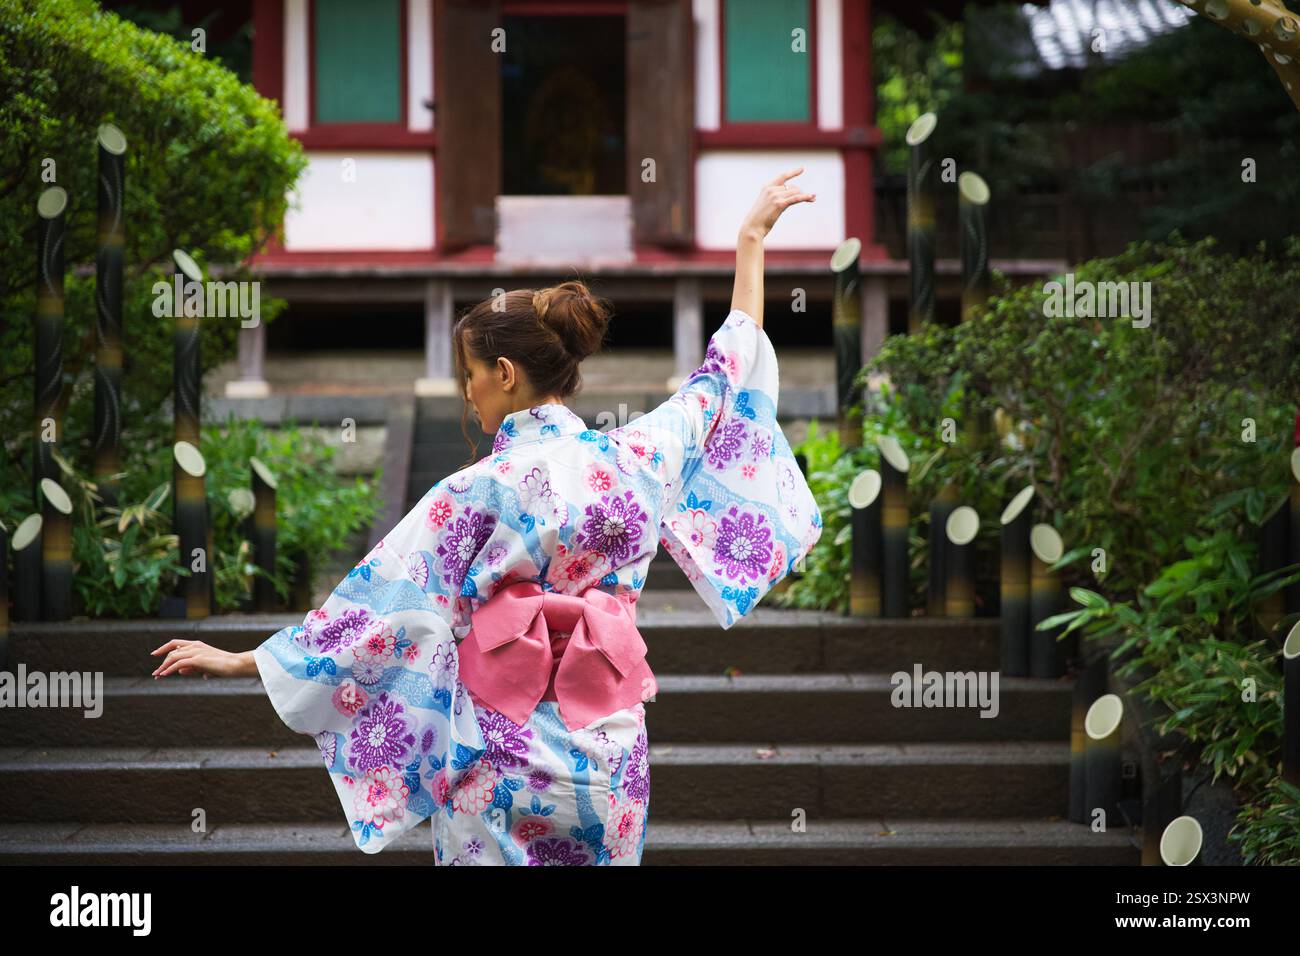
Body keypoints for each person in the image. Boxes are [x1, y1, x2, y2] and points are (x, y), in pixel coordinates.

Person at [150, 167, 823, 865]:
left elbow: (384, 605)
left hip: (504, 760)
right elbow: (724, 372)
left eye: (469, 374)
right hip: (612, 758)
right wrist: (751, 240)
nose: (466, 393)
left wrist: (250, 661)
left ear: (504, 373)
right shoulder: (639, 457)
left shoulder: (474, 491)